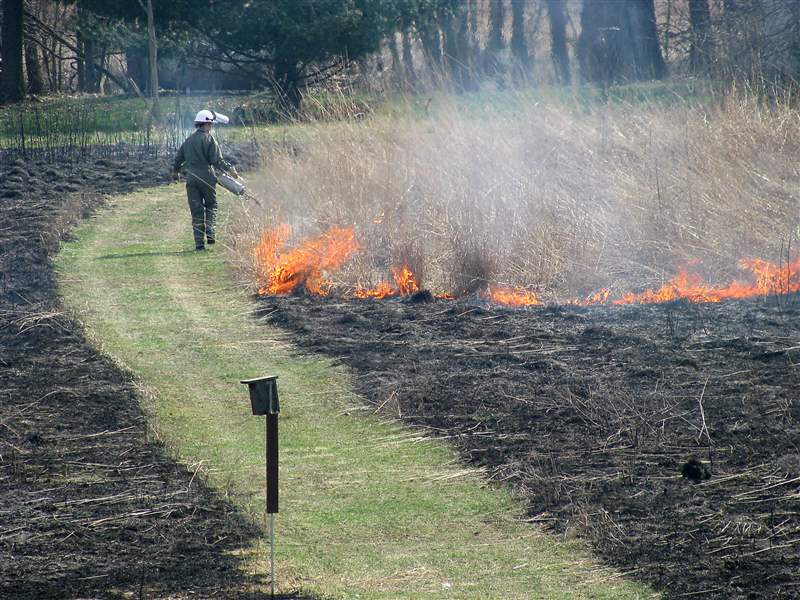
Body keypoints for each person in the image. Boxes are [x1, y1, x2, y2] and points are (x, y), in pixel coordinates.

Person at [172, 110, 237, 250]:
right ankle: (211, 232)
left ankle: (199, 244)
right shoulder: (209, 139)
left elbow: (178, 158)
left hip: (191, 179)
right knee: (211, 204)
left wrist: (175, 171)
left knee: (196, 210)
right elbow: (216, 160)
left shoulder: (188, 140)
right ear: (206, 124)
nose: (211, 127)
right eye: (210, 124)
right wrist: (230, 169)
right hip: (207, 176)